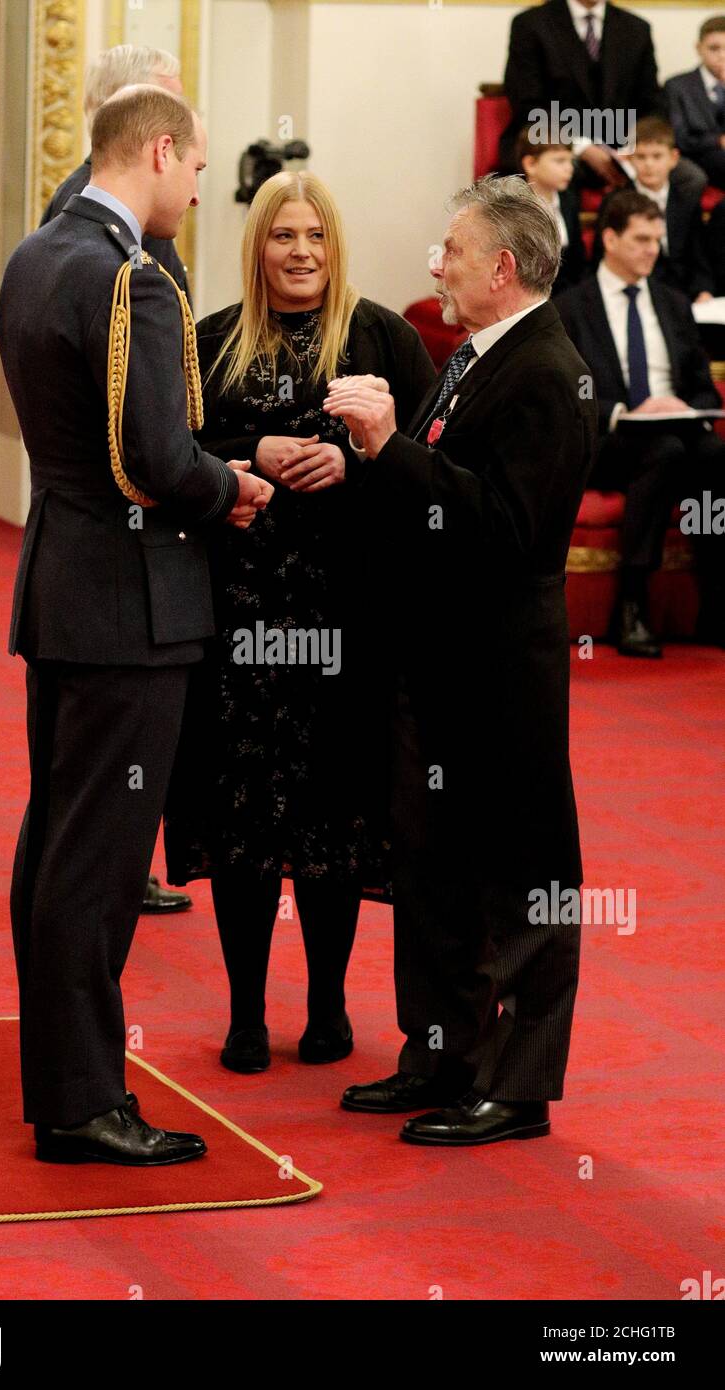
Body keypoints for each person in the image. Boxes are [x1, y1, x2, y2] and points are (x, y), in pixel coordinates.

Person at [0, 85, 272, 1165]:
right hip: (132, 605)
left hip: (62, 584)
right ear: (157, 151)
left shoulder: (34, 253)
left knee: (56, 843)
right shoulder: (133, 282)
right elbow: (158, 462)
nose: (200, 188)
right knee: (98, 863)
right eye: (196, 168)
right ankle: (81, 1103)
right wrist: (232, 487)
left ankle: (63, 1079)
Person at [325, 175, 596, 1146]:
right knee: (431, 867)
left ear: (502, 266)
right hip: (437, 666)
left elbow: (504, 532)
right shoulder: (478, 357)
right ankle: (438, 1053)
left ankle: (515, 1087)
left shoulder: (545, 372)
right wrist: (370, 457)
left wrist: (388, 445)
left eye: (449, 250)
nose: (432, 265)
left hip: (500, 675)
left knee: (520, 875)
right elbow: (434, 497)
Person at [163, 171, 437, 1075]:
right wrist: (251, 453)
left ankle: (326, 1005)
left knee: (334, 814)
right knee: (242, 815)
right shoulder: (208, 343)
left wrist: (356, 462)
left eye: (315, 235)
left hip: (345, 614)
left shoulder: (381, 337)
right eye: (283, 236)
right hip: (238, 621)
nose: (301, 252)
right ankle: (245, 1013)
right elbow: (165, 456)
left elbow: (433, 461)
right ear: (258, 247)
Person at [43, 43, 193, 917]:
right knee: (89, 804)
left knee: (74, 798)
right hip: (118, 561)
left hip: (80, 556)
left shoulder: (72, 231)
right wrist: (224, 483)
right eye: (166, 110)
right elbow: (147, 438)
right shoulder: (108, 244)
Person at [557, 189, 725, 656]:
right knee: (664, 451)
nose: (653, 248)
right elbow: (566, 394)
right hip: (609, 439)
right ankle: (633, 602)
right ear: (609, 238)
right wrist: (624, 411)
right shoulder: (571, 308)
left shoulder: (673, 303)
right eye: (641, 239)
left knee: (714, 455)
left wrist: (681, 404)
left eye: (657, 238)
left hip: (674, 429)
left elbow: (703, 385)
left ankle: (715, 601)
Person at [500, 0, 706, 198]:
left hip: (623, 147)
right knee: (559, 172)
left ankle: (655, 234)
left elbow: (651, 103)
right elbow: (527, 105)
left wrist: (633, 149)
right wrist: (582, 147)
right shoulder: (531, 24)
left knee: (689, 178)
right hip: (555, 143)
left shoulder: (636, 28)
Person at [40, 44, 189, 298]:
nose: (184, 121)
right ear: (124, 109)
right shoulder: (113, 203)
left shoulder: (91, 192)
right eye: (169, 107)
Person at [592, 117, 715, 303]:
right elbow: (602, 258)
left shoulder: (686, 199)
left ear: (673, 158)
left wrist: (704, 290)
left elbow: (699, 256)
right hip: (636, 291)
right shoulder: (614, 202)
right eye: (641, 157)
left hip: (685, 294)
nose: (649, 164)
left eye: (657, 156)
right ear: (629, 159)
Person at [515, 126, 586, 295]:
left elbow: (578, 258)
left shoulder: (569, 200)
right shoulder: (516, 207)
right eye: (560, 161)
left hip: (567, 292)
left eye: (571, 161)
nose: (569, 168)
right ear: (530, 164)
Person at [665, 15, 725, 190]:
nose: (722, 55)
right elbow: (679, 137)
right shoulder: (678, 86)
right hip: (696, 156)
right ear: (699, 48)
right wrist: (718, 141)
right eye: (714, 48)